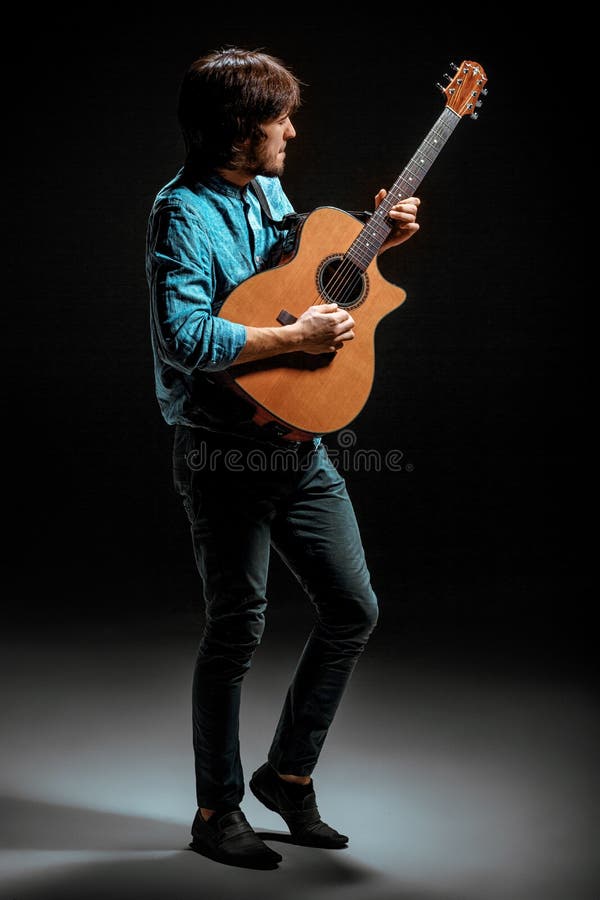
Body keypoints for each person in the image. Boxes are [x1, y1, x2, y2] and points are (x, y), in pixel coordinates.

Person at [145, 47, 420, 869]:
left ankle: (287, 776)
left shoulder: (266, 188)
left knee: (353, 609)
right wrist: (294, 338)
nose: (292, 131)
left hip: (299, 448)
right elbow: (185, 335)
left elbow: (301, 281)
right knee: (236, 630)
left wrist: (377, 244)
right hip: (223, 450)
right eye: (279, 119)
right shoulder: (179, 213)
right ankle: (214, 810)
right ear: (236, 130)